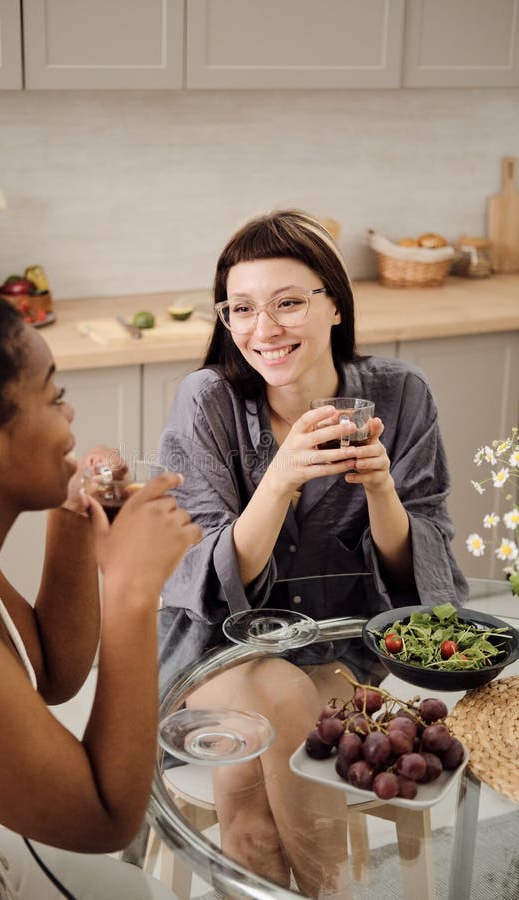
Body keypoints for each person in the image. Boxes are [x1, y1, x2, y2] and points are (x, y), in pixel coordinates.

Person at [157, 209, 468, 894]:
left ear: (334, 304)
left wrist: (382, 489)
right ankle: (333, 892)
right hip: (216, 652)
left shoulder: (400, 394)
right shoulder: (205, 400)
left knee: (267, 771)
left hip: (339, 645)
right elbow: (199, 578)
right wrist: (282, 477)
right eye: (241, 308)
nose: (262, 330)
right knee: (272, 687)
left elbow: (423, 567)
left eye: (289, 303)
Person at [0, 217, 201, 898]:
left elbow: (47, 675)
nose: (71, 417)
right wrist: (132, 591)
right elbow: (103, 818)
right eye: (54, 395)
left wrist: (74, 520)